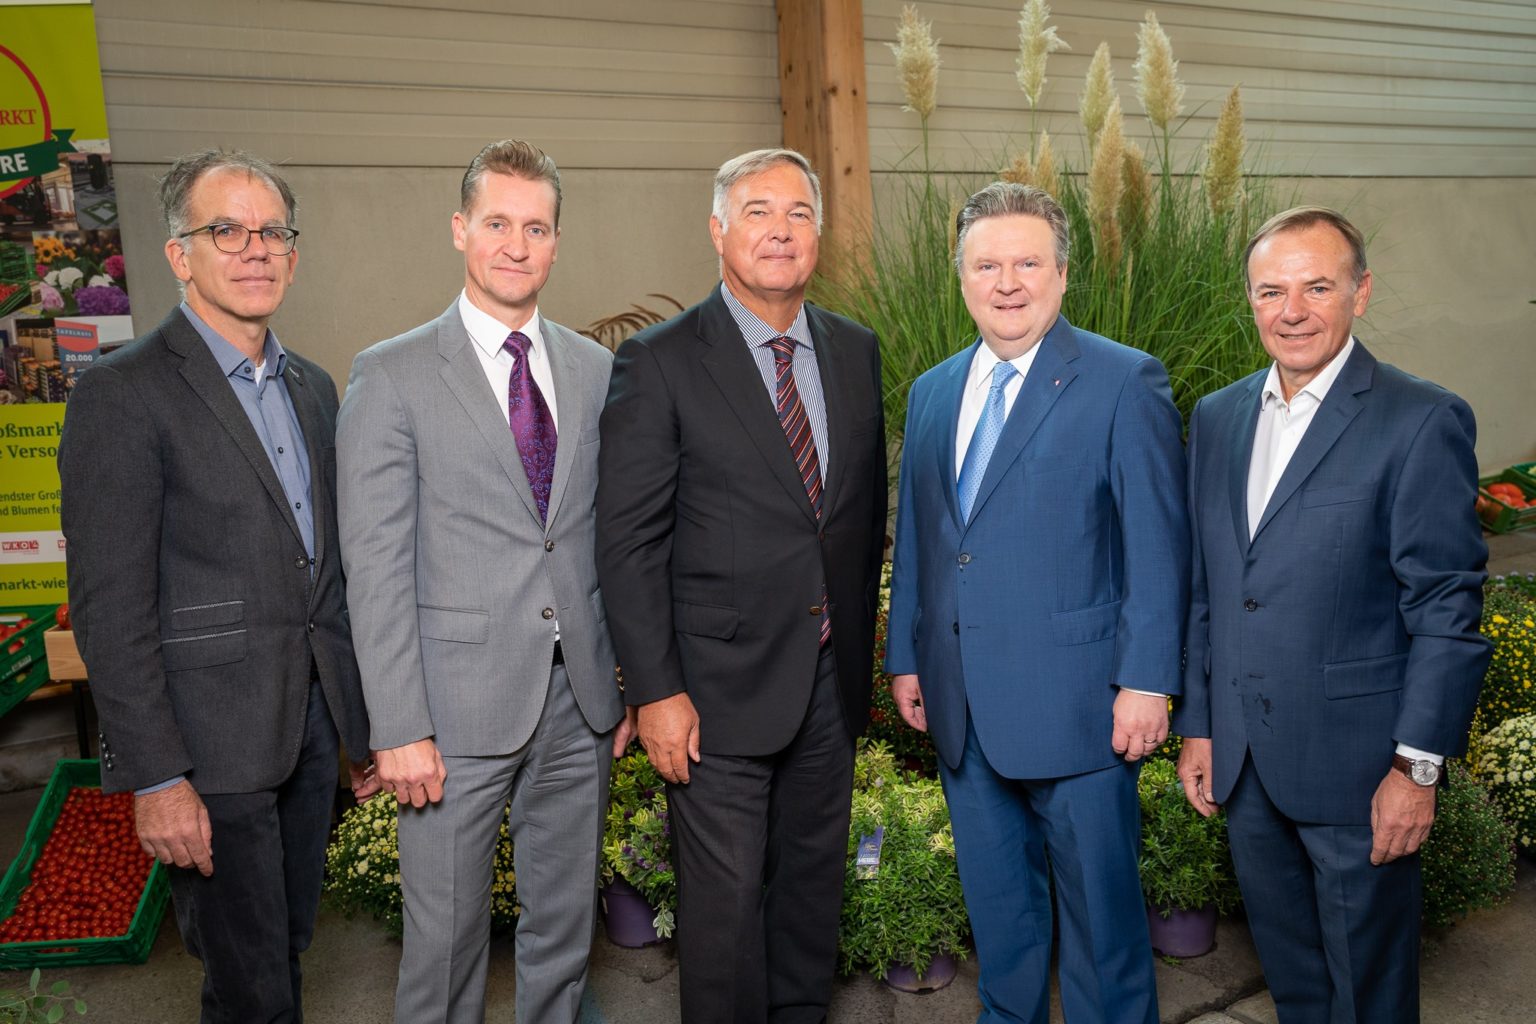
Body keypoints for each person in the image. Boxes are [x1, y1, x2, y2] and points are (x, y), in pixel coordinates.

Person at [57, 149, 375, 1022]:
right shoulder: (123, 394)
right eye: (225, 229)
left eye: (271, 230)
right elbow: (109, 606)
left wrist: (359, 728)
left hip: (308, 731)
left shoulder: (313, 386)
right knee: (248, 987)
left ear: (294, 252)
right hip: (207, 751)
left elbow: (329, 571)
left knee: (288, 949)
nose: (254, 248)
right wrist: (156, 776)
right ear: (178, 253)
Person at [335, 139, 630, 1024]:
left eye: (535, 227)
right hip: (450, 715)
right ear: (460, 229)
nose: (516, 243)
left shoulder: (594, 370)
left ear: (555, 242)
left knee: (564, 933)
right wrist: (398, 727)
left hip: (578, 702)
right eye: (497, 222)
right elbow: (374, 566)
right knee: (445, 944)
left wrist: (621, 683)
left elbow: (606, 542)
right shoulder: (389, 375)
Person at [1174, 206, 1490, 1023]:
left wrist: (1416, 769)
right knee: (1296, 984)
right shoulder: (1216, 418)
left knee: (1370, 994)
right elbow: (1211, 589)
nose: (1292, 311)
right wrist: (1201, 726)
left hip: (1361, 770)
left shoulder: (1419, 419)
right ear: (1249, 299)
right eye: (1271, 290)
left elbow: (1446, 609)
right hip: (1246, 764)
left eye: (1318, 287)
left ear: (1361, 292)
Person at [884, 182, 1187, 1024]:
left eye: (1026, 262)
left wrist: (1147, 681)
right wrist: (907, 655)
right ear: (962, 278)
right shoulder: (933, 391)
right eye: (987, 264)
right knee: (1001, 917)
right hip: (962, 699)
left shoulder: (1125, 382)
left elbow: (1159, 548)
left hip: (1083, 705)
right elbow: (922, 537)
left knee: (1103, 926)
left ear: (1061, 274)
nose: (1006, 281)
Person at [595, 148, 886, 1024]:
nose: (780, 231)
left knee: (809, 900)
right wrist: (657, 690)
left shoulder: (853, 350)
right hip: (712, 699)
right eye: (758, 211)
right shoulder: (662, 360)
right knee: (722, 923)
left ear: (819, 236)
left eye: (799, 213)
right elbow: (628, 541)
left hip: (827, 687)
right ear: (718, 230)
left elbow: (856, 520)